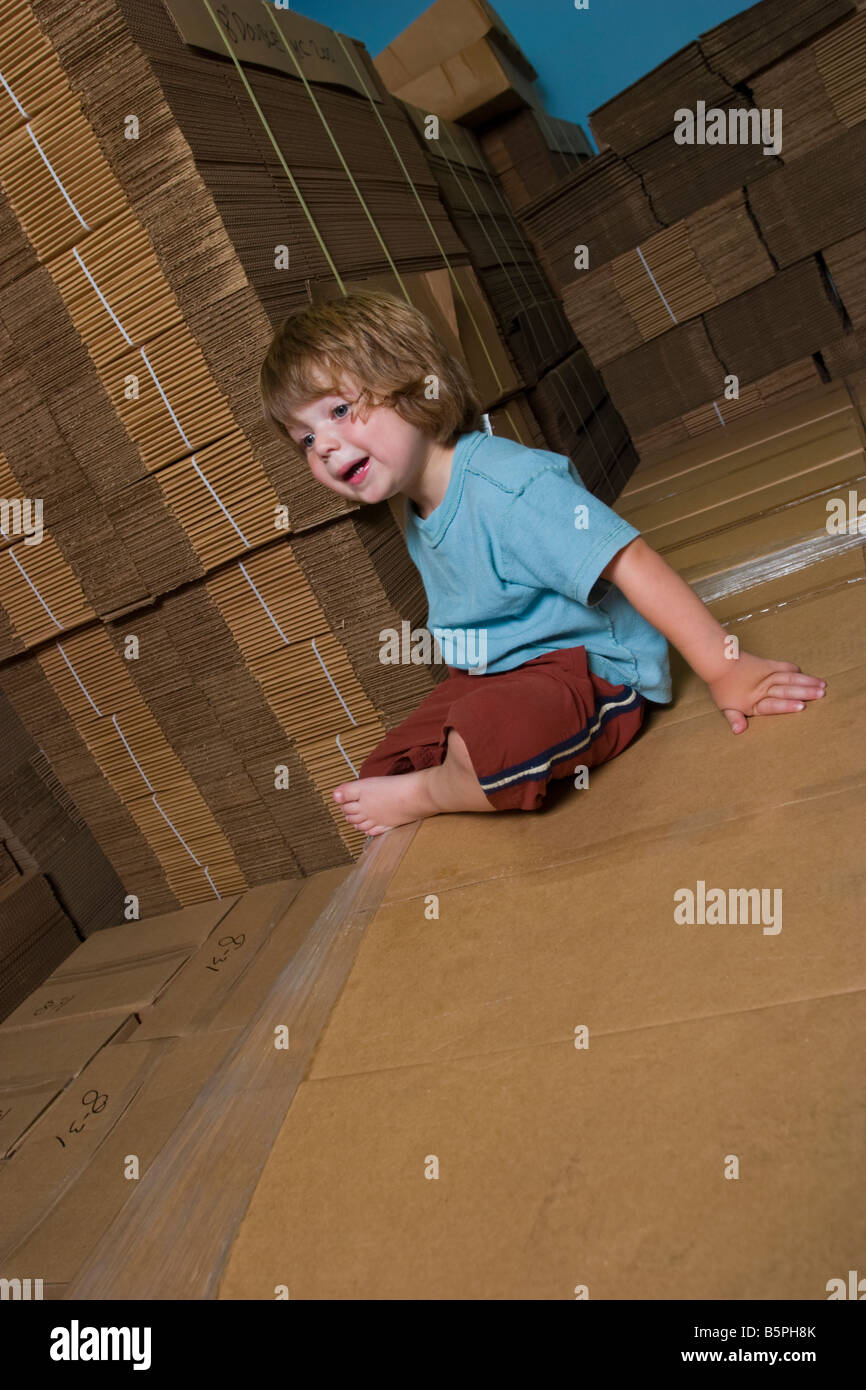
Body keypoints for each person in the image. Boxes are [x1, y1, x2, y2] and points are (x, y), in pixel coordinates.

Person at [260, 290, 826, 837]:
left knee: (493, 738)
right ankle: (444, 773)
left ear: (413, 385)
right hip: (498, 671)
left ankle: (436, 790)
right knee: (385, 765)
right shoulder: (410, 496)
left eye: (339, 410)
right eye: (306, 438)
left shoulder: (509, 488)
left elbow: (630, 560)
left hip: (590, 669)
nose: (325, 446)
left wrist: (724, 668)